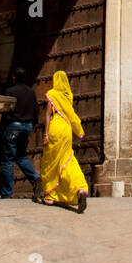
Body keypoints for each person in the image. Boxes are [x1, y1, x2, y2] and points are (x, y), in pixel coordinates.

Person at [38, 70, 89, 214]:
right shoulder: (69, 96)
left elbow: (48, 115)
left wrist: (46, 133)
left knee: (51, 163)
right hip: (67, 130)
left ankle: (50, 195)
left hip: (55, 128)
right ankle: (80, 188)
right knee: (67, 160)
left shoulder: (53, 94)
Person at [0, 67, 42, 200]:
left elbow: (5, 111)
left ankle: (7, 193)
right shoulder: (31, 92)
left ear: (14, 78)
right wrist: (33, 124)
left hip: (14, 126)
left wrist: (2, 127)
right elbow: (36, 110)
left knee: (7, 160)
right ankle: (35, 178)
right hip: (27, 126)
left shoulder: (10, 91)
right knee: (21, 156)